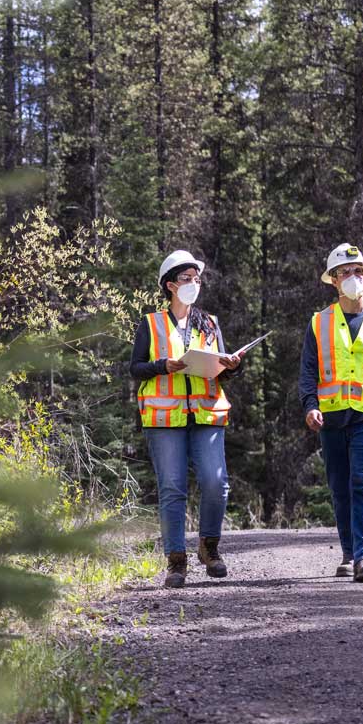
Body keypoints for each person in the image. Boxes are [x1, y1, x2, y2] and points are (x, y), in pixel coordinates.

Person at [131, 250, 243, 588]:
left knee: (215, 482)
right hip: (165, 418)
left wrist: (232, 365)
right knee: (172, 488)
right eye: (187, 278)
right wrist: (163, 365)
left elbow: (220, 370)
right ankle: (175, 561)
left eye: (197, 278)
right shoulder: (150, 324)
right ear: (170, 285)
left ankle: (209, 548)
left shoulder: (210, 323)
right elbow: (135, 368)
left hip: (207, 413)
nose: (194, 283)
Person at [299, 243, 363, 583]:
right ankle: (348, 552)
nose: (353, 277)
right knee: (339, 486)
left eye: (358, 271)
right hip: (330, 416)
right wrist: (310, 406)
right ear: (333, 280)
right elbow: (308, 371)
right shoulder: (320, 322)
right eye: (345, 272)